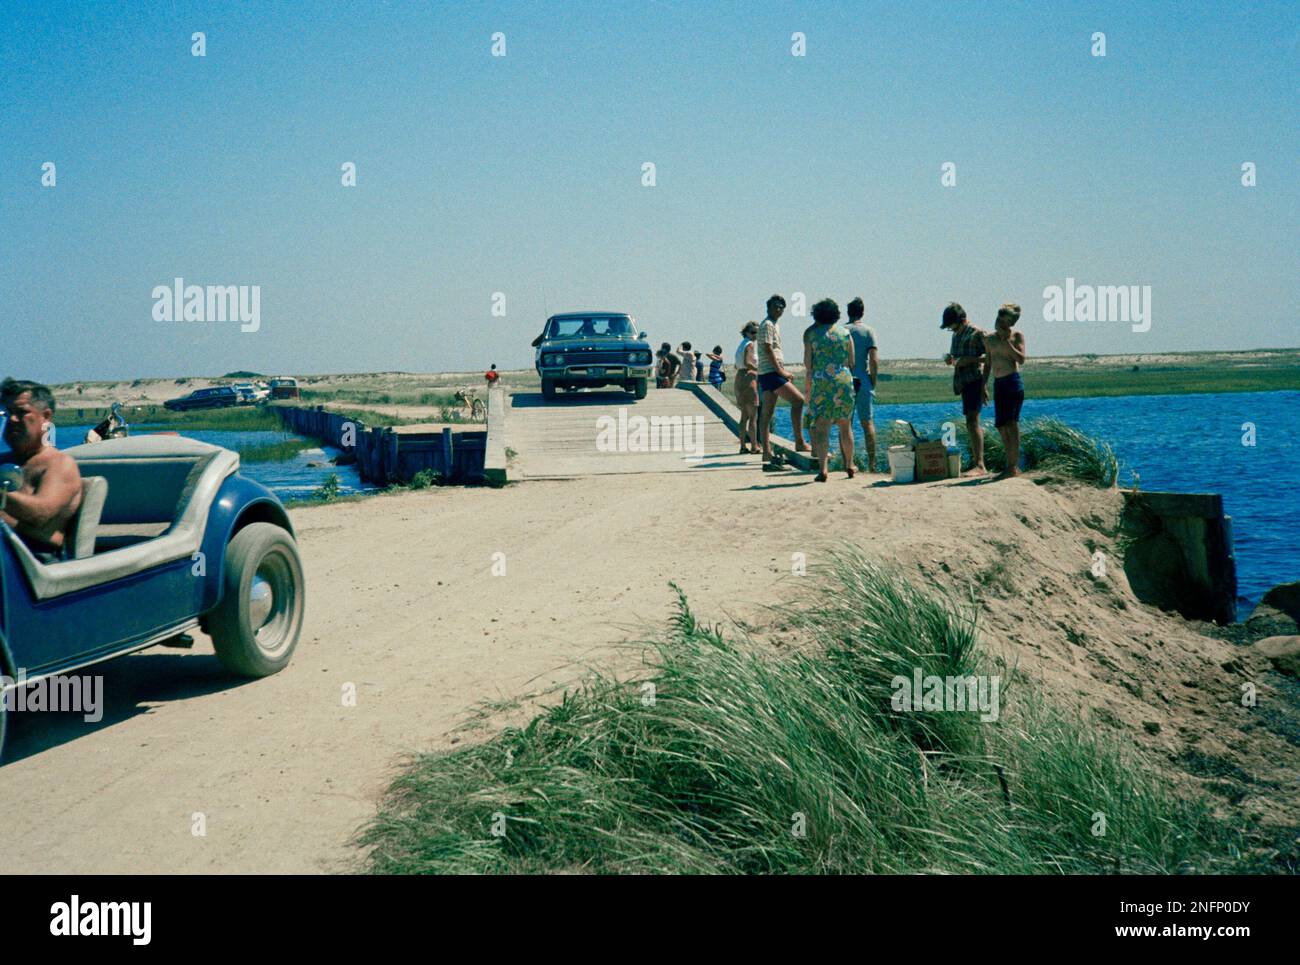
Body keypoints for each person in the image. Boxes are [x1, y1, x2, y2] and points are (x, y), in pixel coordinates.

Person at [0, 378, 83, 561]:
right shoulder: (3, 460)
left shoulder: (59, 464)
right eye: (6, 413)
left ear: (45, 416)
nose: (12, 419)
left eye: (21, 412)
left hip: (33, 559)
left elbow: (40, 514)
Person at [801, 299, 857, 482]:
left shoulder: (812, 335)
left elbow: (808, 364)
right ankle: (849, 464)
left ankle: (823, 468)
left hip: (822, 381)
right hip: (843, 380)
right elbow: (852, 361)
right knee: (845, 426)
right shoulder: (845, 333)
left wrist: (808, 389)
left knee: (822, 427)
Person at [756, 294, 808, 472]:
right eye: (775, 307)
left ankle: (766, 451)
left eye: (781, 307)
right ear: (768, 307)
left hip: (767, 372)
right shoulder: (767, 325)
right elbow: (767, 348)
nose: (778, 310)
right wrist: (781, 371)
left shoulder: (773, 324)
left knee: (767, 413)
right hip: (771, 372)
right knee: (798, 401)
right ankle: (799, 441)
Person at [941, 302, 989, 474]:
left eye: (951, 326)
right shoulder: (955, 336)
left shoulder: (977, 333)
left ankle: (980, 464)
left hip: (975, 379)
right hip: (963, 381)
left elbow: (990, 356)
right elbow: (957, 357)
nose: (950, 329)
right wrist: (951, 359)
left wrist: (971, 360)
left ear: (960, 320)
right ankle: (977, 462)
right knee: (970, 422)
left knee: (972, 421)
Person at [984, 303, 1026, 479]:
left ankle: (1012, 466)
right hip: (998, 383)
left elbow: (1021, 359)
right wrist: (983, 386)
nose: (1000, 323)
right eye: (999, 319)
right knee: (1001, 425)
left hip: (1012, 381)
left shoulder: (1017, 336)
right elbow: (988, 363)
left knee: (1011, 423)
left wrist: (1008, 343)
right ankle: (1011, 463)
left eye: (1004, 321)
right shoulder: (989, 339)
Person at [844, 297, 879, 473]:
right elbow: (873, 359)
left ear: (848, 312)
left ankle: (846, 462)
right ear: (862, 312)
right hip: (863, 379)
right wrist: (873, 379)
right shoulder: (869, 331)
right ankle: (872, 464)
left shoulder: (842, 331)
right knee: (868, 423)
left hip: (845, 380)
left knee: (845, 424)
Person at [734, 322, 760, 454]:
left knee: (744, 416)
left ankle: (743, 446)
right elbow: (748, 362)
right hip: (748, 379)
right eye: (753, 332)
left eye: (757, 332)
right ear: (747, 333)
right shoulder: (749, 344)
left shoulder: (741, 344)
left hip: (739, 378)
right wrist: (760, 370)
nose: (755, 335)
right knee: (753, 416)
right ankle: (755, 446)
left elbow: (737, 364)